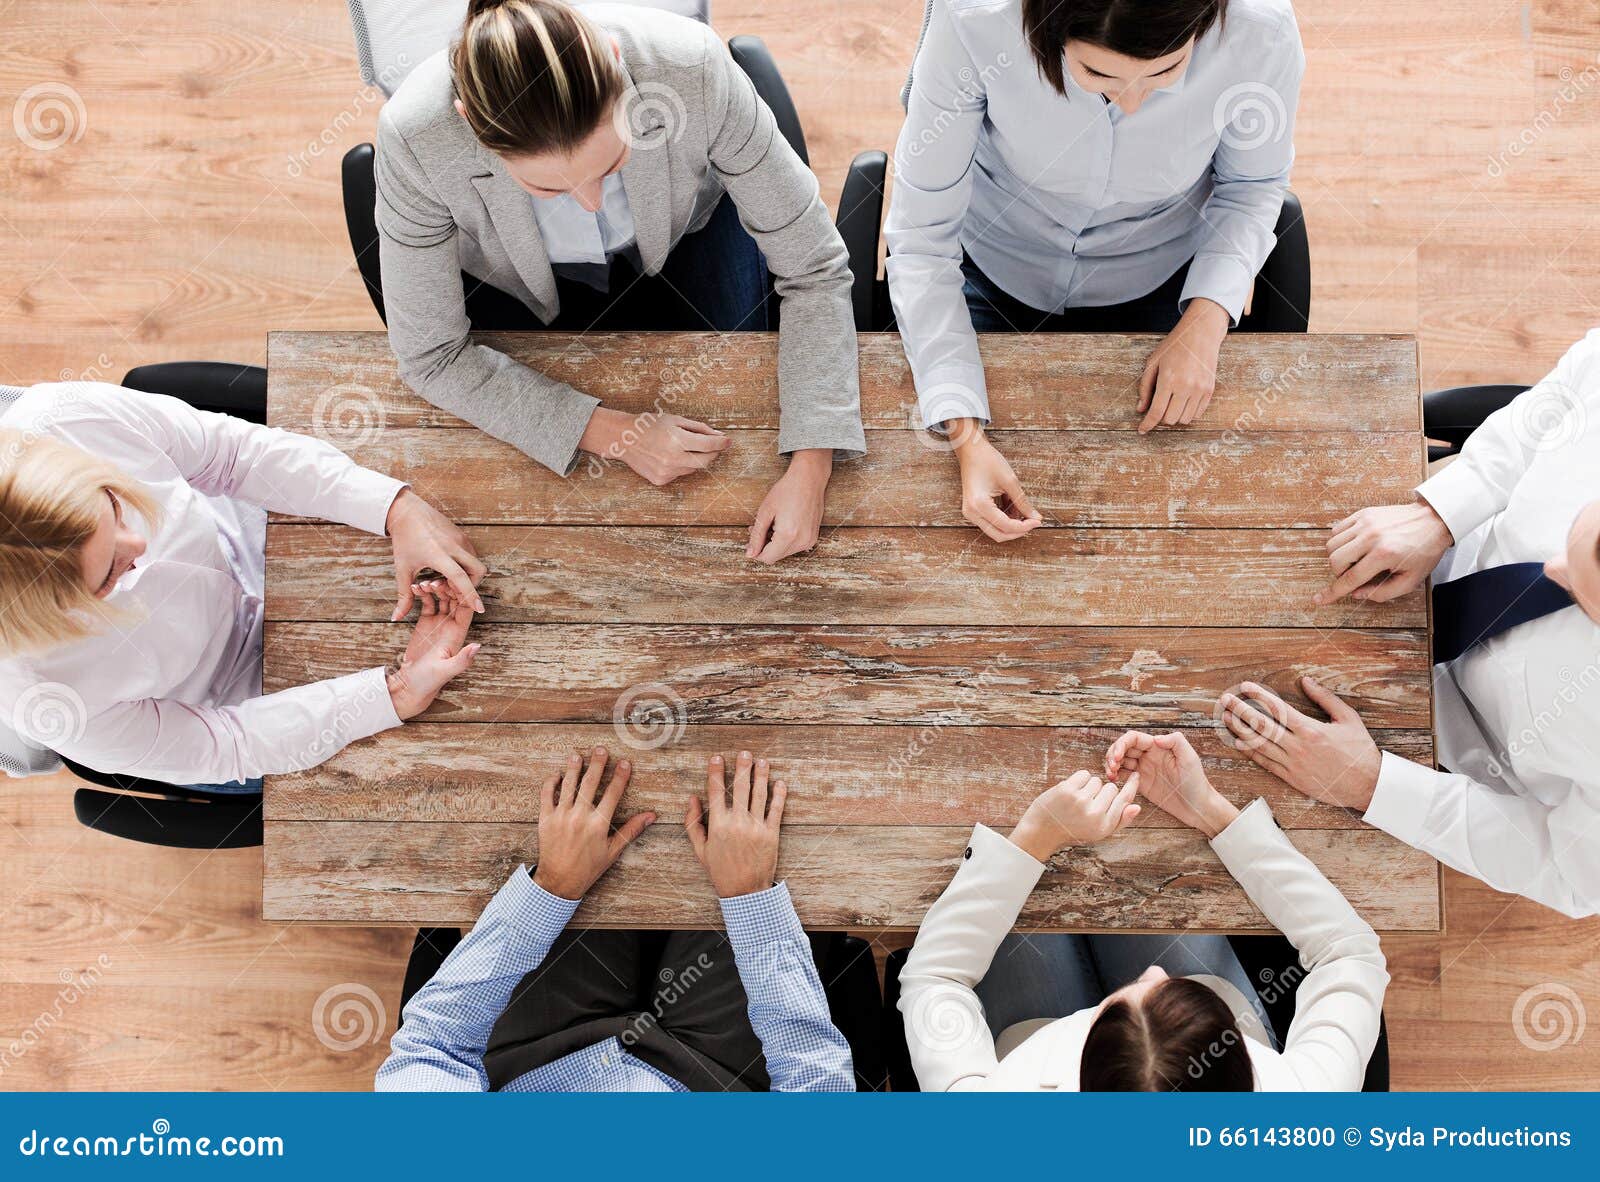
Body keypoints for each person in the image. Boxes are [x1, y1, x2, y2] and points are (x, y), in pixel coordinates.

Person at [376, 0, 865, 564]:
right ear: (468, 124)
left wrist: (813, 462)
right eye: (550, 189)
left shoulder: (691, 65)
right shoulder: (416, 135)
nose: (588, 203)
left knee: (746, 381)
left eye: (608, 167)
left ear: (614, 60)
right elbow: (431, 355)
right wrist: (614, 434)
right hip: (517, 278)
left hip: (688, 232)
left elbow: (815, 265)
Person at [886, 0, 1303, 542]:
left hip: (1161, 272)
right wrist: (963, 433)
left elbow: (1251, 187)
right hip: (992, 258)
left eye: (1166, 72)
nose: (1130, 102)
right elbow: (921, 239)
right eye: (1097, 74)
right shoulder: (973, 19)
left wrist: (1206, 320)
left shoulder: (1260, 32)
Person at [1220, 330, 1600, 919]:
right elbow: (1567, 392)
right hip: (1427, 557)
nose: (1551, 566)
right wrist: (1444, 515)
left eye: (1583, 594)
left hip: (1450, 758)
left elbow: (1569, 873)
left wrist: (1370, 784)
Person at [0, 380, 485, 790]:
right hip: (240, 695)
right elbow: (227, 743)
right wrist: (395, 693)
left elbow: (230, 455)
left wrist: (393, 507)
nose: (140, 545)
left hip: (256, 530)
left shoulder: (63, 420)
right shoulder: (43, 697)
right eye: (109, 572)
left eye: (113, 504)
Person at [898, 733, 1388, 1090]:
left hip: (1026, 1042)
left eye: (1125, 999)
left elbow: (935, 979)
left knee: (1033, 913)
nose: (1152, 972)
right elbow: (1351, 954)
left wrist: (1038, 835)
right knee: (1140, 879)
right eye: (1170, 989)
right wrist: (1206, 809)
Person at [377, 748, 854, 1091]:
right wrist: (751, 899)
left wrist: (552, 888)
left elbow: (432, 1050)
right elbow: (817, 1095)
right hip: (716, 1079)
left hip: (540, 1056)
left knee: (581, 789)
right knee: (787, 837)